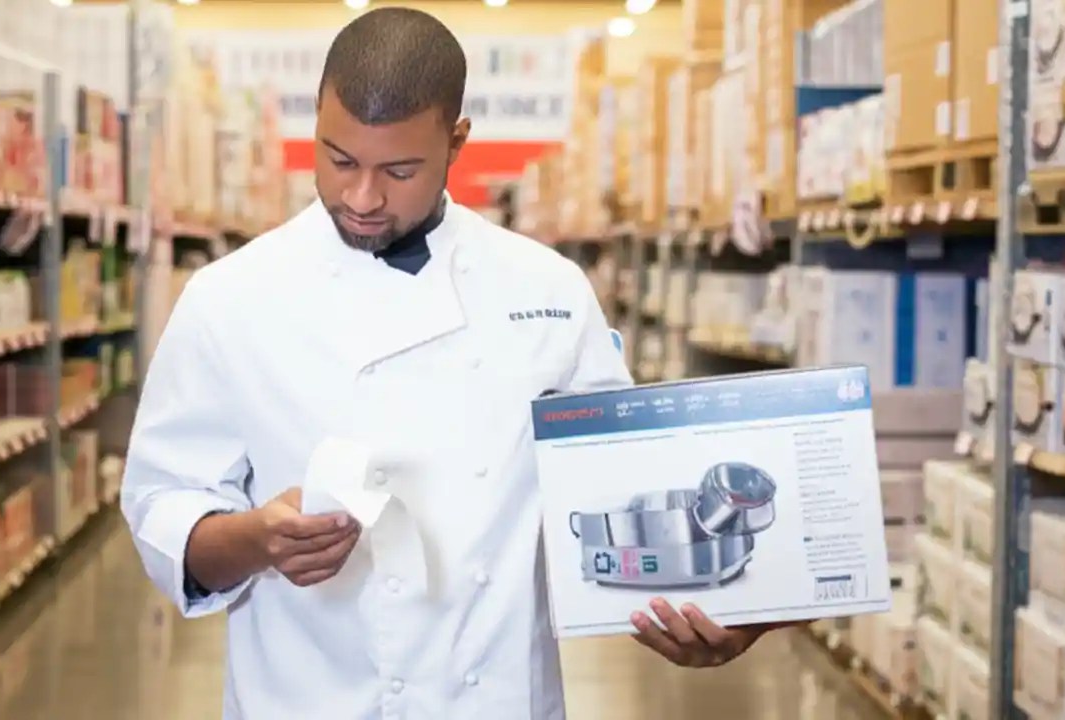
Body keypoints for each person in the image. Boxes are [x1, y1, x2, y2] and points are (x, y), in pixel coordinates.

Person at [121, 7, 791, 719]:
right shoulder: (230, 298)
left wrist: (712, 607)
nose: (362, 197)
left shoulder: (548, 292)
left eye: (399, 170)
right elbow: (164, 506)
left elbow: (619, 497)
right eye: (338, 159)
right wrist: (252, 541)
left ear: (457, 142)